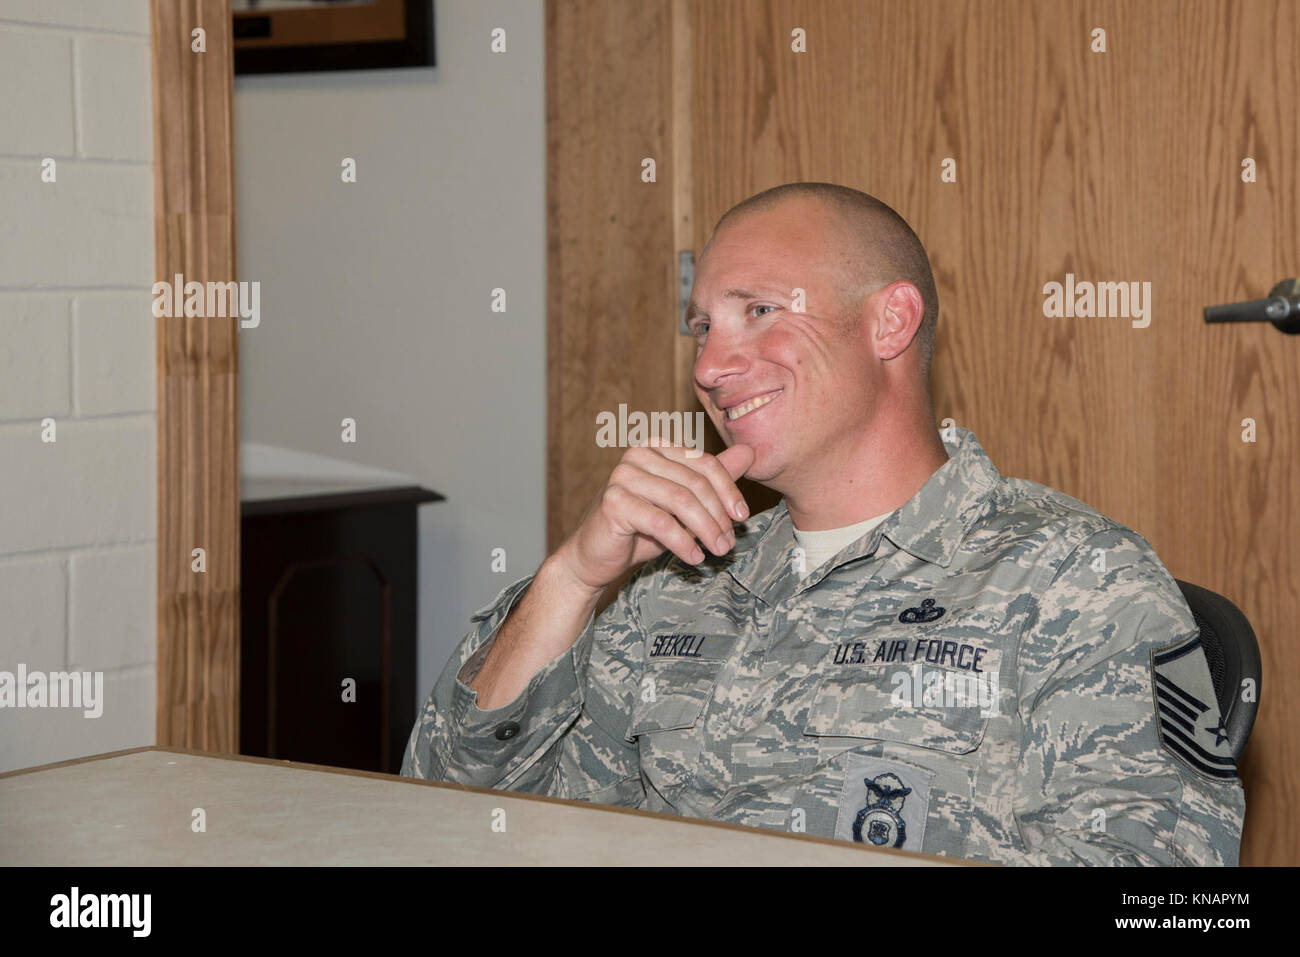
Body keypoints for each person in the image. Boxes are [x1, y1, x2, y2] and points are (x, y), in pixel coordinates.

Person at [401, 182, 1245, 865]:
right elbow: (442, 807)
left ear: (890, 321)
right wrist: (574, 577)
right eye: (701, 326)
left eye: (759, 311)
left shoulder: (1079, 579)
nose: (708, 366)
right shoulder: (675, 581)